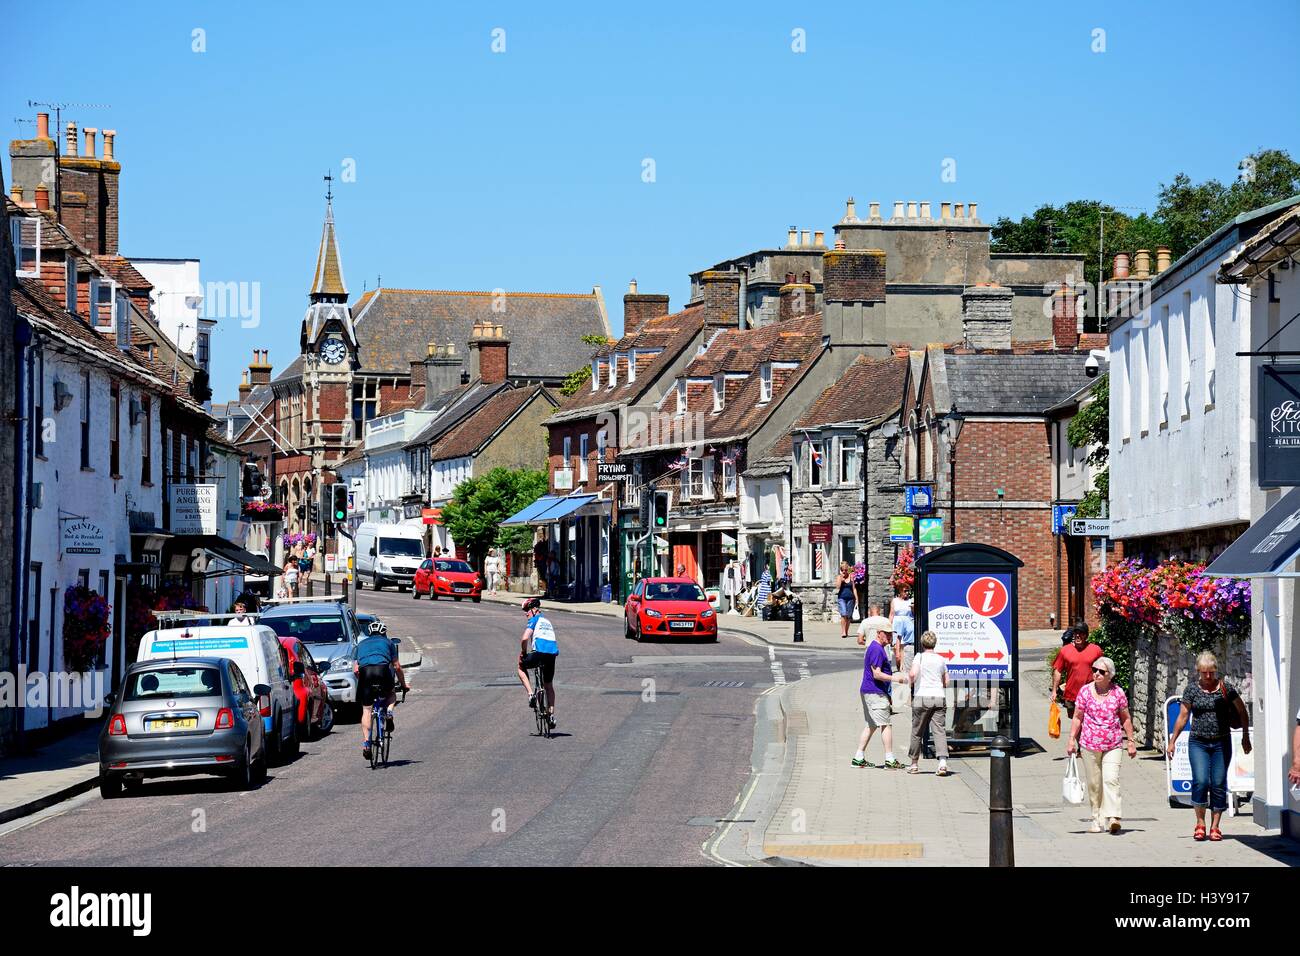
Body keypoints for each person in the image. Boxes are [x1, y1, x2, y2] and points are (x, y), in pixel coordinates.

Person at [1166, 651, 1251, 842]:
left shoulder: (1226, 688)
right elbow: (1183, 716)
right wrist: (1172, 742)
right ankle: (1200, 822)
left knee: (1218, 783)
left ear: (1215, 670)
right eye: (1204, 672)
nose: (1208, 676)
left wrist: (1246, 736)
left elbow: (1242, 712)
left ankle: (1215, 826)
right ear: (1198, 671)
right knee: (1201, 781)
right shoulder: (1192, 690)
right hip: (1198, 742)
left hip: (1222, 741)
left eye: (1211, 672)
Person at [1066, 656, 1136, 833]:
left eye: (1101, 671)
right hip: (1089, 744)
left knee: (1111, 779)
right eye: (1094, 669)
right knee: (1094, 784)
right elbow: (1077, 717)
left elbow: (1126, 718)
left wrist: (1131, 742)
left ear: (1110, 675)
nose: (1096, 673)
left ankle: (1113, 817)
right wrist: (1071, 740)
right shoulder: (1085, 692)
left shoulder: (1118, 693)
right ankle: (1096, 819)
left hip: (1113, 744)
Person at [852, 616, 906, 769]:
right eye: (887, 634)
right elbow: (877, 674)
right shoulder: (876, 649)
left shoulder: (877, 648)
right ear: (878, 633)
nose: (890, 637)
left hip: (871, 690)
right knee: (886, 725)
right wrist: (896, 679)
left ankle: (858, 757)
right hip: (874, 692)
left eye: (891, 634)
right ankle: (889, 759)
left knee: (872, 725)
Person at [353, 619, 406, 761]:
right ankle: (389, 713)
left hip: (365, 674)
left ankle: (366, 745)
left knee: (367, 710)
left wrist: (364, 684)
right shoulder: (389, 643)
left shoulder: (360, 644)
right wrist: (404, 684)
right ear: (383, 633)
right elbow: (397, 667)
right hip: (382, 671)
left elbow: (356, 670)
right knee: (391, 695)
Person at [907, 630, 950, 776]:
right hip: (938, 697)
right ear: (935, 644)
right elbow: (947, 681)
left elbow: (913, 674)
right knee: (939, 731)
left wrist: (910, 683)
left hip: (922, 696)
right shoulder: (941, 659)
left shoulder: (919, 657)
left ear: (922, 643)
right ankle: (942, 763)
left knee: (917, 731)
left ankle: (914, 764)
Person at [517, 597, 558, 731]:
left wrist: (523, 652)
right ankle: (551, 715)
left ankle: (531, 695)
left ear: (534, 610)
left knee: (521, 667)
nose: (525, 613)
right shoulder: (548, 621)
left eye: (527, 610)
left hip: (539, 654)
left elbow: (524, 638)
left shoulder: (534, 620)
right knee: (548, 685)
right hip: (552, 655)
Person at [1051, 624, 1103, 721]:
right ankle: (1077, 736)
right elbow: (1058, 670)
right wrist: (1054, 690)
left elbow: (1103, 670)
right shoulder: (1065, 650)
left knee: (1089, 722)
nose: (1078, 635)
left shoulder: (1096, 650)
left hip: (1091, 694)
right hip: (1071, 694)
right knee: (1076, 722)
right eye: (1076, 633)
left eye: (1081, 633)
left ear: (1086, 635)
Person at [889, 583, 915, 704]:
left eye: (908, 591)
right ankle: (899, 663)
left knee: (903, 649)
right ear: (900, 591)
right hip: (897, 623)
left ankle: (901, 667)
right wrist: (888, 625)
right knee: (896, 648)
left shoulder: (911, 601)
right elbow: (892, 614)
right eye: (905, 590)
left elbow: (914, 614)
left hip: (908, 624)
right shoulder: (895, 601)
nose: (906, 593)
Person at [834, 562, 856, 639]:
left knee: (849, 616)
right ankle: (843, 631)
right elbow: (837, 587)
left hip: (850, 598)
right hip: (842, 598)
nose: (844, 571)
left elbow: (854, 588)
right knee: (843, 614)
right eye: (842, 570)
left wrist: (856, 598)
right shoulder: (839, 577)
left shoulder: (851, 577)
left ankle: (846, 631)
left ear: (848, 570)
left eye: (846, 570)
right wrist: (841, 580)